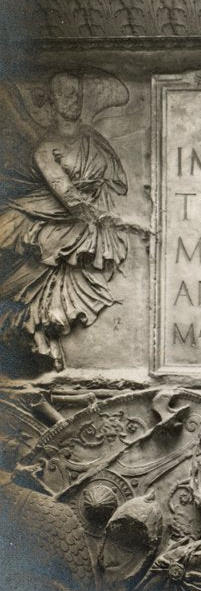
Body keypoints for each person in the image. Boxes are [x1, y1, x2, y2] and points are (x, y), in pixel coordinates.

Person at [0, 72, 130, 370]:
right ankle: (37, 340)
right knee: (33, 282)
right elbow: (68, 196)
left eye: (76, 94)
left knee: (60, 296)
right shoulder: (45, 149)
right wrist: (105, 217)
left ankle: (45, 340)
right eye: (65, 95)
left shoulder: (92, 138)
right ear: (52, 101)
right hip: (53, 225)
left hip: (84, 232)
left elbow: (112, 182)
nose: (73, 101)